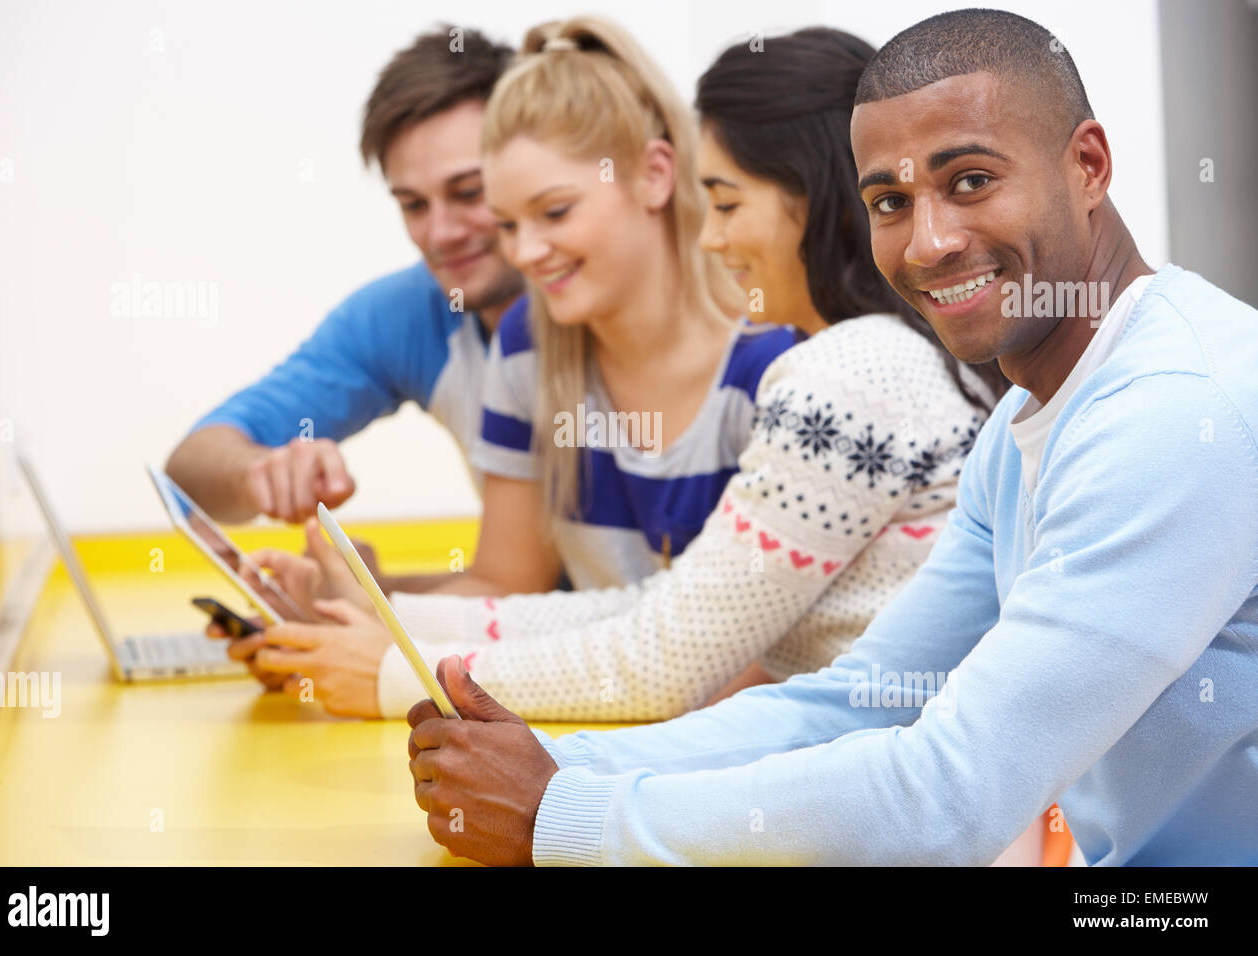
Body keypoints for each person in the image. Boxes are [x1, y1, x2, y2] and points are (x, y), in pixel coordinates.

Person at [402, 8, 1258, 866]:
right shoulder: (1018, 430)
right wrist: (559, 767)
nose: (930, 242)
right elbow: (863, 697)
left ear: (1088, 165)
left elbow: (948, 794)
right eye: (891, 201)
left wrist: (565, 814)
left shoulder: (1173, 410)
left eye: (970, 182)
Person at [244, 27, 1007, 723]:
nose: (709, 237)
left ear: (809, 200)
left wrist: (400, 678)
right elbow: (671, 611)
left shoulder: (847, 371)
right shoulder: (885, 354)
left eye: (726, 203)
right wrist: (393, 622)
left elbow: (665, 661)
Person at [165, 26, 524, 564]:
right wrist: (258, 475)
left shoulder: (610, 303)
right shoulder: (409, 314)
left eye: (469, 193)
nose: (441, 233)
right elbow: (190, 469)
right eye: (413, 204)